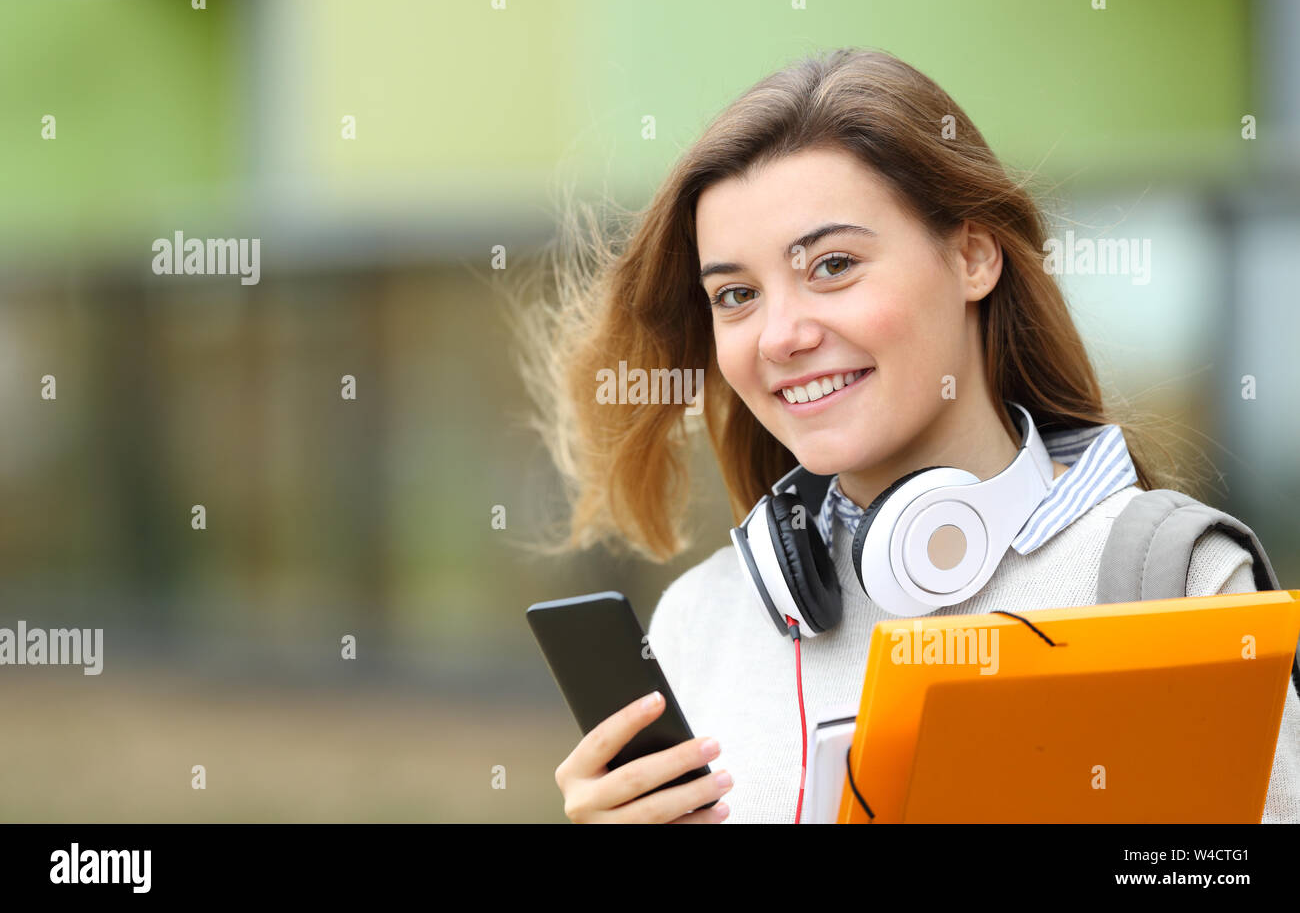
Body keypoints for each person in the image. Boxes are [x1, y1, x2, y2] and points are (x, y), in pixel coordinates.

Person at [512, 48, 1299, 823]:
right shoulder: (698, 624)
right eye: (738, 294)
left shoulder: (1169, 581)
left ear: (972, 256)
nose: (779, 335)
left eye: (832, 265)